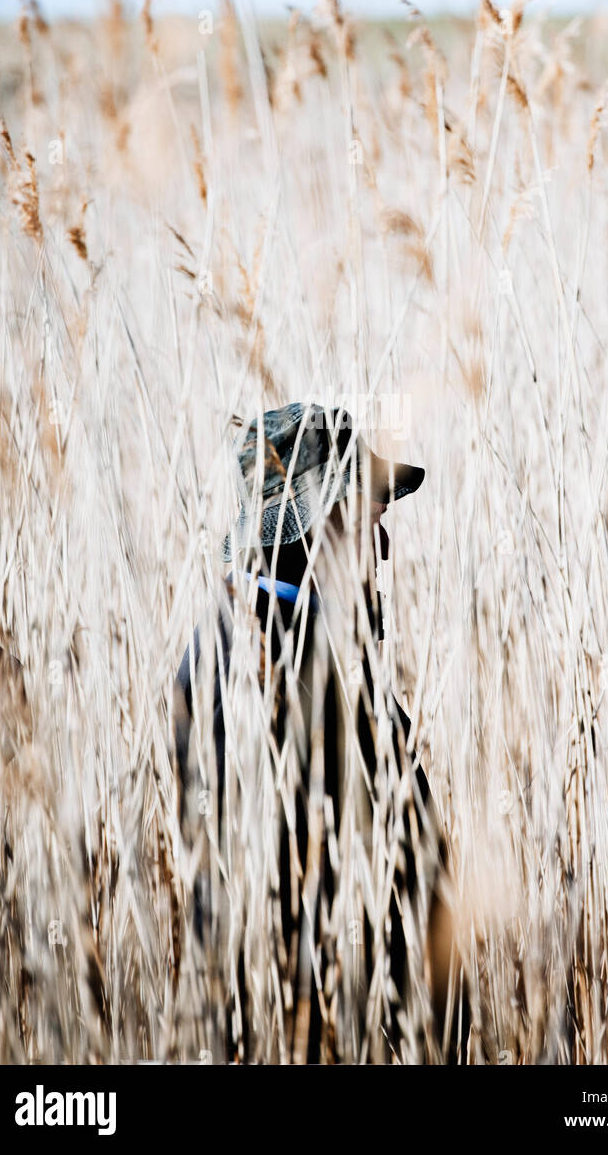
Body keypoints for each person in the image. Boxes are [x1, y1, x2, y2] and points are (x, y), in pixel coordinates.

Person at [174, 401, 469, 1063]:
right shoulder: (256, 668)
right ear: (316, 527)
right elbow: (272, 916)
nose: (384, 547)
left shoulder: (306, 646)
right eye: (369, 520)